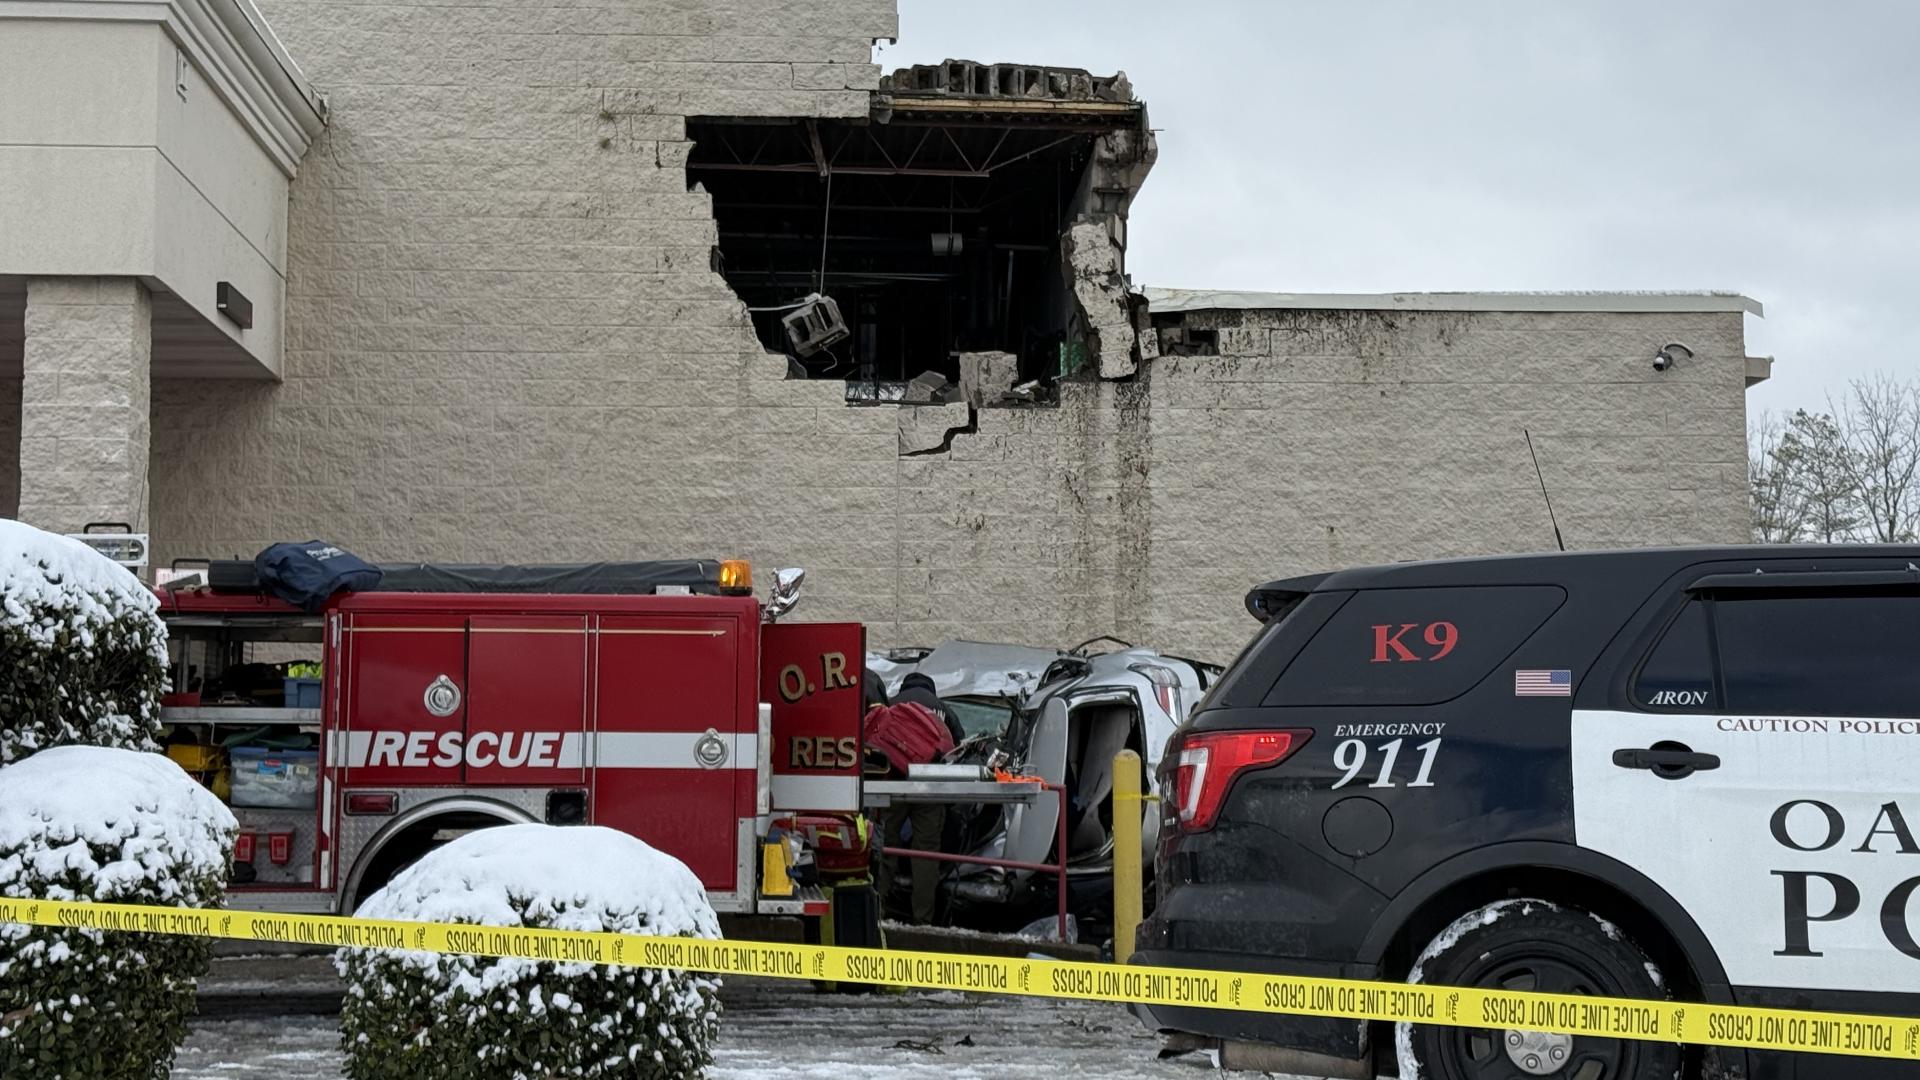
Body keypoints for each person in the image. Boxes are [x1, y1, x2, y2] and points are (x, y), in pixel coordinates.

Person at [864, 693, 956, 925]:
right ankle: (923, 920)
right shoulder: (942, 710)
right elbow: (954, 752)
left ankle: (877, 911)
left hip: (895, 782)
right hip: (930, 785)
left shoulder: (895, 703)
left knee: (887, 847)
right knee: (926, 853)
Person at [892, 672, 967, 747]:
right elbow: (959, 741)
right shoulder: (941, 706)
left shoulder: (892, 703)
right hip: (934, 755)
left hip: (896, 752)